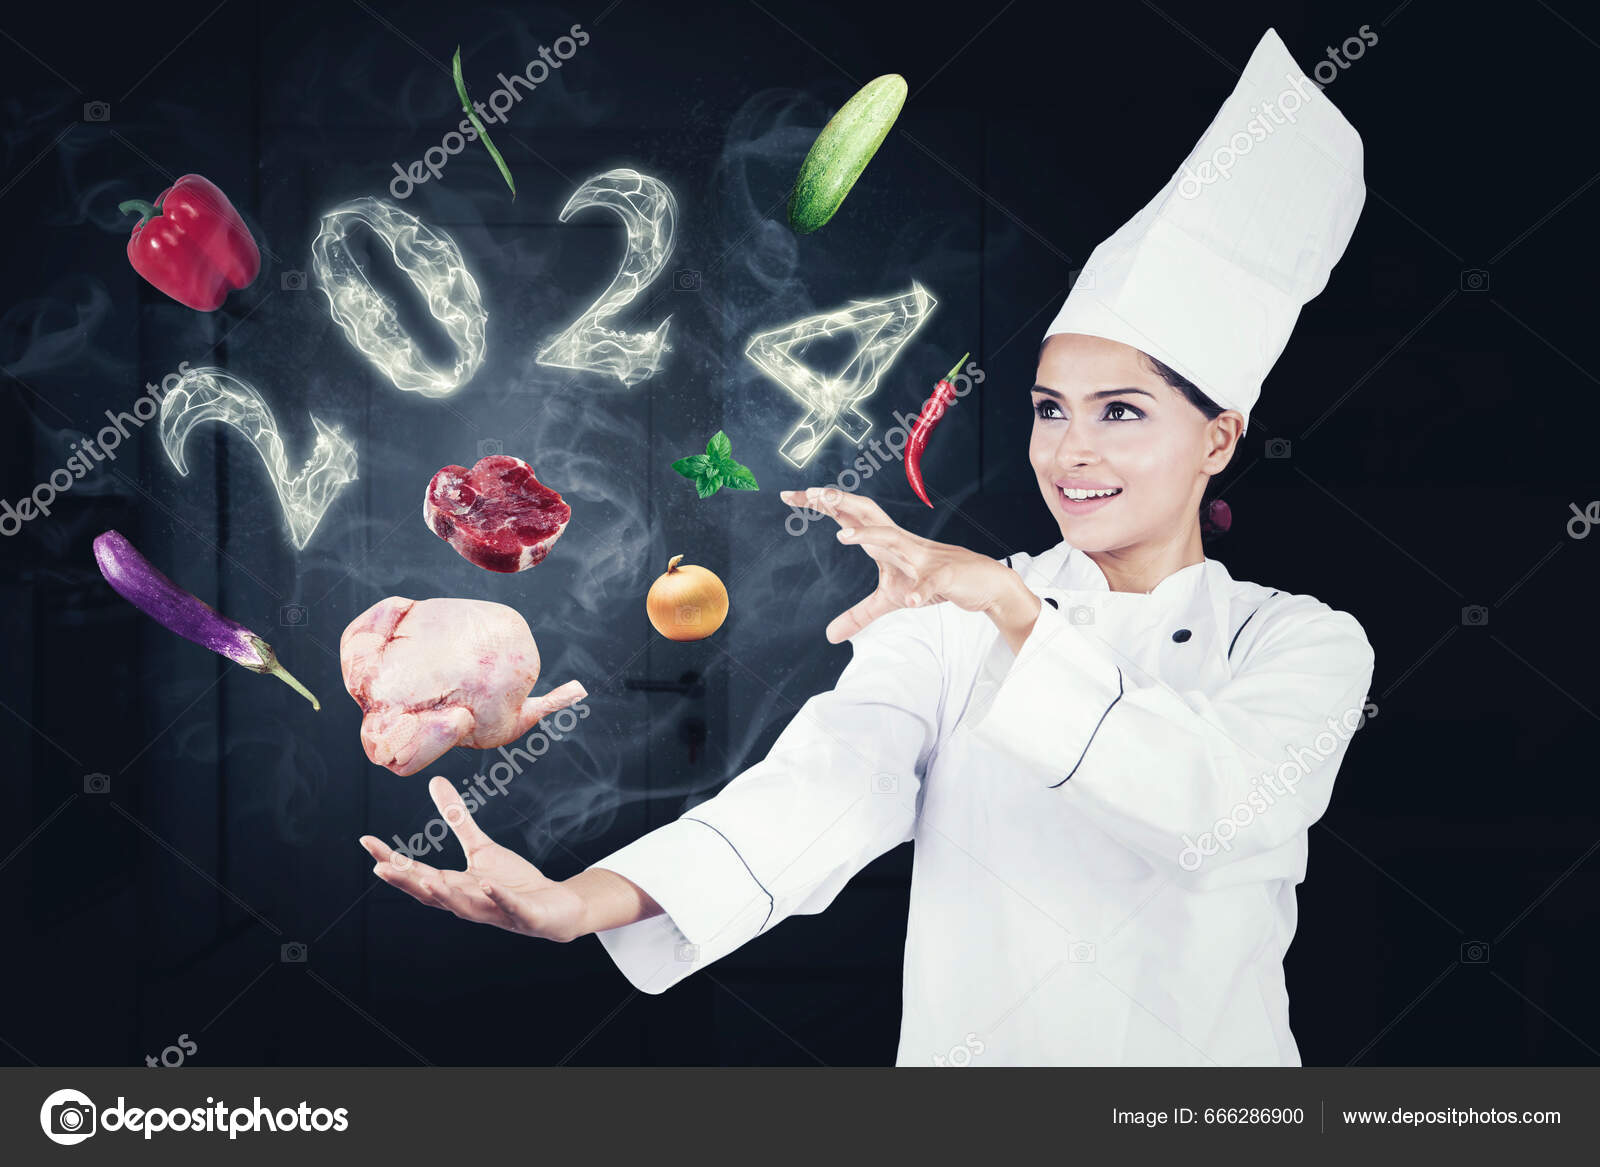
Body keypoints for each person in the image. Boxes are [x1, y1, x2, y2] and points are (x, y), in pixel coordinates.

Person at [357, 27, 1375, 1065]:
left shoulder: (1301, 645)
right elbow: (820, 791)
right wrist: (580, 902)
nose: (1071, 451)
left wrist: (1015, 611)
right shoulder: (950, 618)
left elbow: (1211, 810)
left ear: (1218, 439)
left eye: (1121, 411)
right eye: (1049, 409)